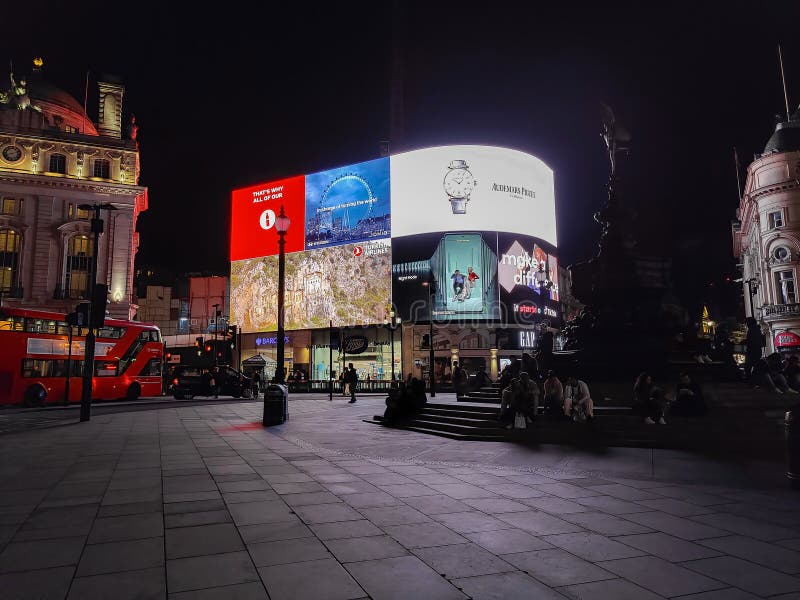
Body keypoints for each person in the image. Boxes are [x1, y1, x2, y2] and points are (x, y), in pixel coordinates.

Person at [745, 317, 765, 382]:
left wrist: (744, 342)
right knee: (755, 366)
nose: (746, 324)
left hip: (753, 351)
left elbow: (751, 340)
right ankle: (755, 380)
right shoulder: (756, 329)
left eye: (747, 322)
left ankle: (752, 381)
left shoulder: (752, 329)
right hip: (756, 350)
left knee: (748, 367)